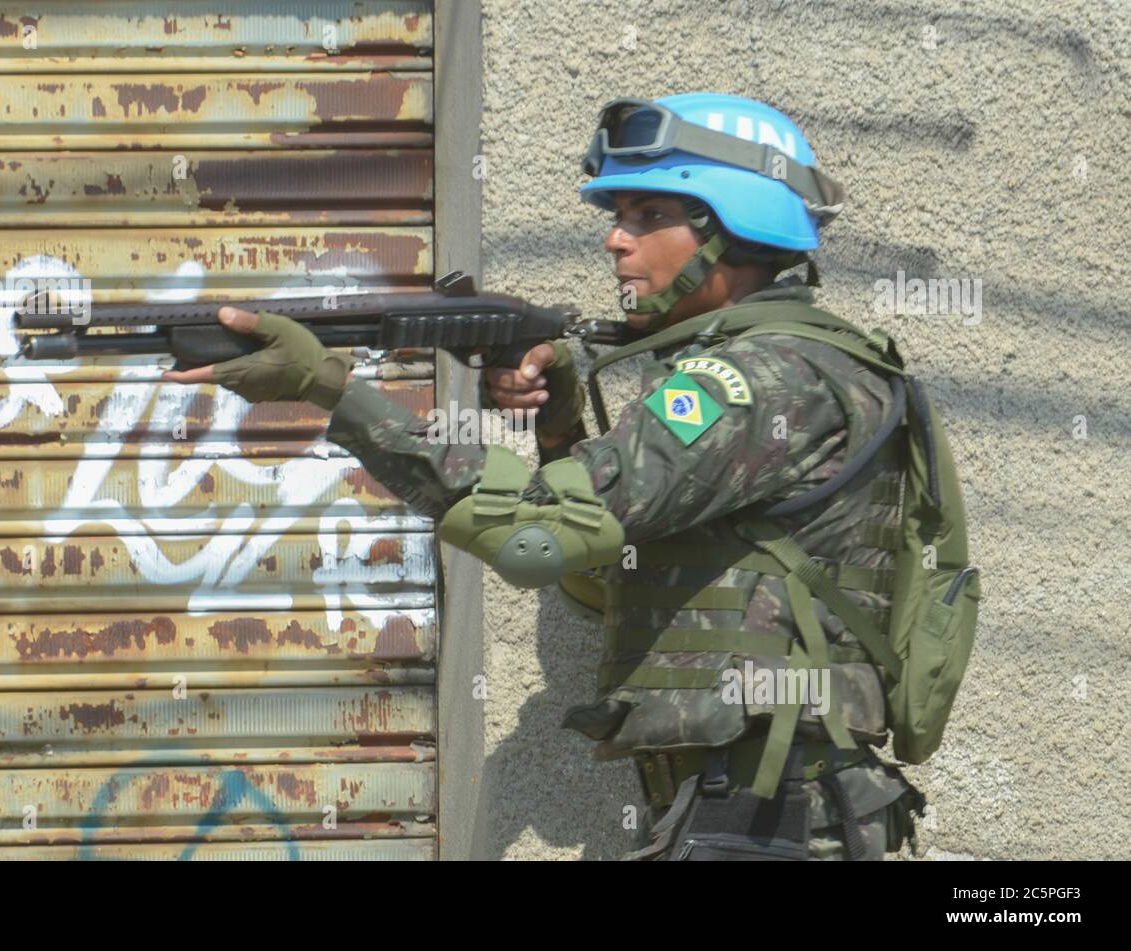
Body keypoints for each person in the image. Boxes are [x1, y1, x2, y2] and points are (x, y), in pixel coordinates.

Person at [164, 93, 927, 861]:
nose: (613, 238)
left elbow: (534, 540)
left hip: (772, 814)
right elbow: (599, 576)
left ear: (731, 228)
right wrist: (560, 426)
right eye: (616, 212)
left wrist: (333, 389)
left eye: (645, 213)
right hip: (755, 806)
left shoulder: (758, 381)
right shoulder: (789, 365)